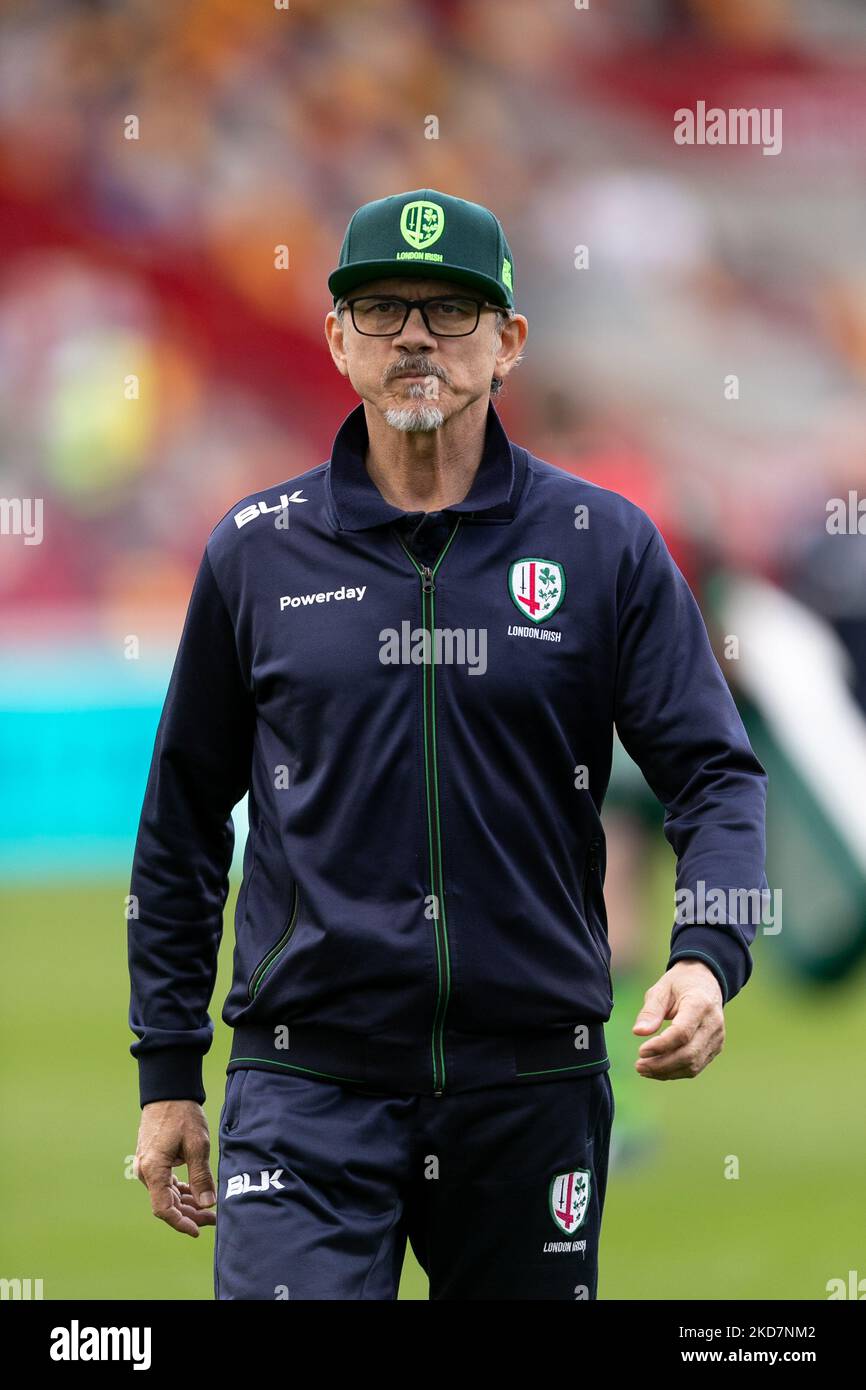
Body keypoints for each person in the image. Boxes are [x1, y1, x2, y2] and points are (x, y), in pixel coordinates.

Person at [128, 188, 769, 1300]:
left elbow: (715, 773)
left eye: (451, 309)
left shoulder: (602, 545)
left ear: (507, 341)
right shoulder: (254, 555)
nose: (415, 335)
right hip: (305, 1084)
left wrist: (706, 952)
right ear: (336, 338)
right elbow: (181, 824)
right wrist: (167, 1070)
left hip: (531, 1084)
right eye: (378, 308)